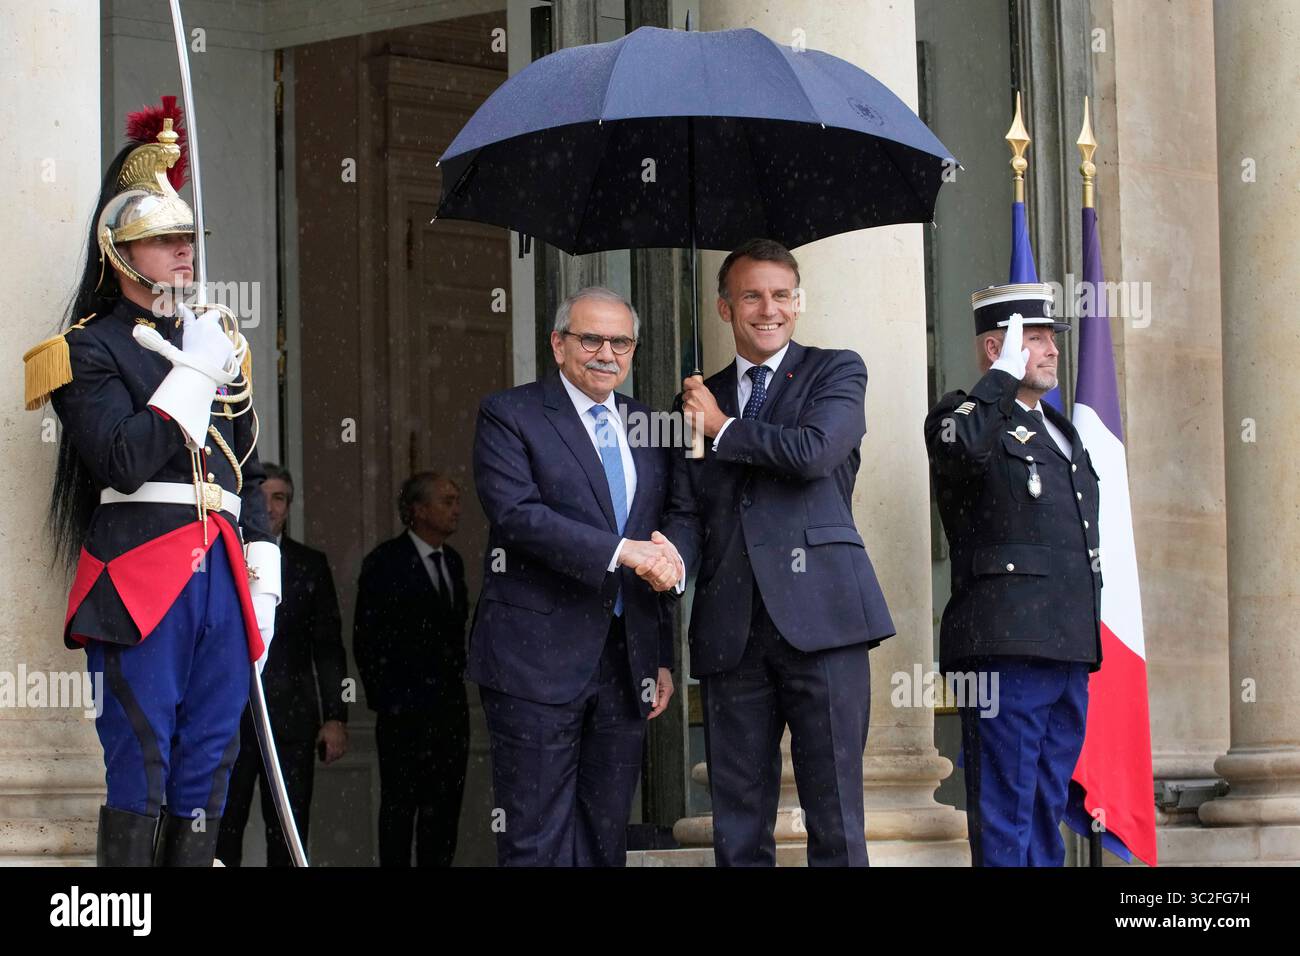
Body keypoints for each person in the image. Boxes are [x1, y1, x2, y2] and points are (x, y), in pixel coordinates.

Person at [24, 97, 280, 866]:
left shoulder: (210, 337)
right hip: (141, 569)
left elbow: (247, 468)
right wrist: (194, 371)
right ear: (121, 252)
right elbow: (126, 460)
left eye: (187, 239)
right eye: (163, 241)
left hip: (223, 569)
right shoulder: (85, 350)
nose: (184, 253)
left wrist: (263, 576)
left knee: (211, 762)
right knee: (144, 759)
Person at [660, 238, 895, 867]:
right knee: (737, 826)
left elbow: (814, 452)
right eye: (751, 296)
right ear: (724, 308)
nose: (768, 309)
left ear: (799, 302)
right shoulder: (693, 400)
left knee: (836, 816)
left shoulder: (837, 370)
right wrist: (669, 559)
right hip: (730, 628)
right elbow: (685, 510)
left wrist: (723, 428)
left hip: (825, 620)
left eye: (781, 295)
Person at [469, 286, 681, 867]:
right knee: (535, 836)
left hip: (627, 661)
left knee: (604, 836)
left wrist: (660, 653)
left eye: (621, 342)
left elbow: (663, 527)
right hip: (534, 658)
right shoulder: (510, 413)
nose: (605, 353)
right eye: (591, 338)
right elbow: (518, 516)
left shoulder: (647, 422)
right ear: (558, 344)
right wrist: (621, 552)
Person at [923, 284, 1102, 866]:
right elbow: (961, 447)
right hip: (1005, 646)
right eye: (1036, 339)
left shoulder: (1060, 431)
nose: (1051, 351)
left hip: (1067, 644)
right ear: (994, 348)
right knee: (1006, 809)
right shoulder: (961, 416)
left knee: (1047, 802)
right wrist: (999, 379)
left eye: (1052, 339)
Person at [216, 463, 348, 866]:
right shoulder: (223, 554)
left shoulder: (309, 564)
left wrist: (335, 716)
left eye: (280, 499)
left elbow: (326, 645)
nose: (270, 508)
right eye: (262, 497)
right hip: (231, 717)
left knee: (288, 833)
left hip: (291, 719)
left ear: (289, 506)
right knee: (224, 829)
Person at [354, 472, 470, 866]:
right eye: (447, 501)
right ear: (418, 510)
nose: (457, 510)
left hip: (449, 717)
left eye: (456, 500)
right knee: (400, 816)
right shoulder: (385, 562)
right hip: (403, 717)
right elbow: (367, 640)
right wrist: (391, 702)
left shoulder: (452, 563)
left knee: (443, 818)